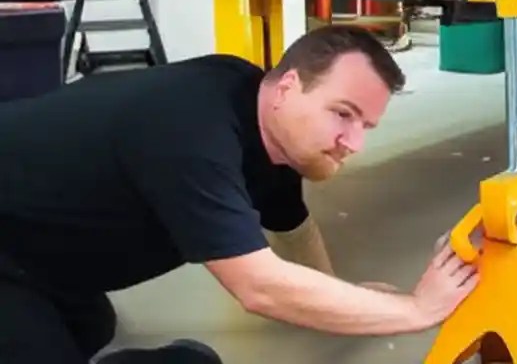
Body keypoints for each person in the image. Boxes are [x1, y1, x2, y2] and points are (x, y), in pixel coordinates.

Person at [0, 24, 481, 363]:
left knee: (92, 331)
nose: (353, 142)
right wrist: (415, 309)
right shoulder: (193, 132)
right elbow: (259, 286)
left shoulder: (267, 129)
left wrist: (343, 292)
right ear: (289, 87)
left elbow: (292, 226)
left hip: (46, 263)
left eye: (366, 126)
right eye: (343, 113)